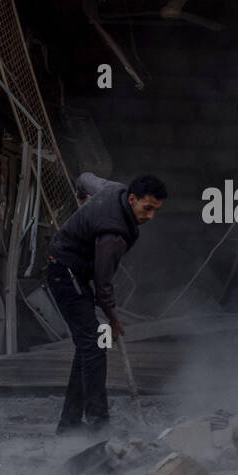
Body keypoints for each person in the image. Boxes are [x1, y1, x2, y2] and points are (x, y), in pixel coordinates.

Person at [46, 174, 167, 434]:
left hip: (71, 268)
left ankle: (69, 426)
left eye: (156, 210)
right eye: (147, 209)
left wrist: (82, 202)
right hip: (65, 272)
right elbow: (103, 286)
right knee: (94, 343)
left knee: (87, 345)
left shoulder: (113, 188)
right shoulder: (113, 236)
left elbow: (83, 178)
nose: (151, 217)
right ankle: (99, 425)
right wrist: (113, 319)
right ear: (132, 199)